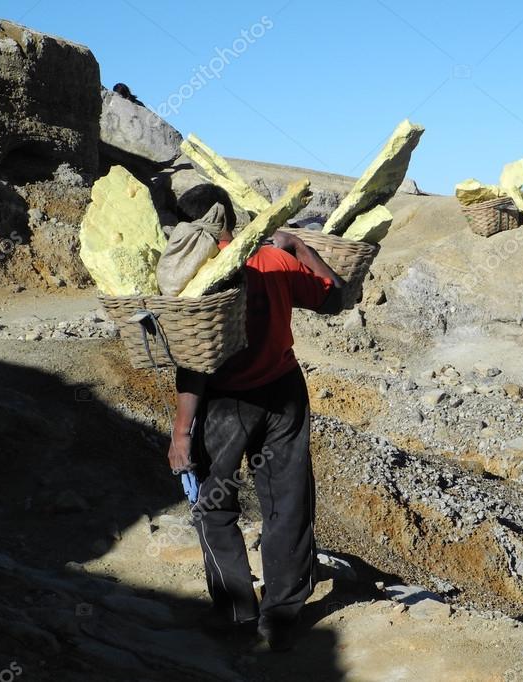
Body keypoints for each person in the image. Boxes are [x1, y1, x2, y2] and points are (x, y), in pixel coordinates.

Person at [165, 184, 345, 651]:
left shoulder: (192, 277)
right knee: (287, 500)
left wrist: (181, 431)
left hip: (224, 402)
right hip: (283, 392)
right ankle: (281, 615)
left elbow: (193, 363)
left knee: (214, 504)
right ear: (227, 216)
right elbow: (334, 298)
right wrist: (301, 247)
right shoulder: (273, 260)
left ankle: (236, 613)